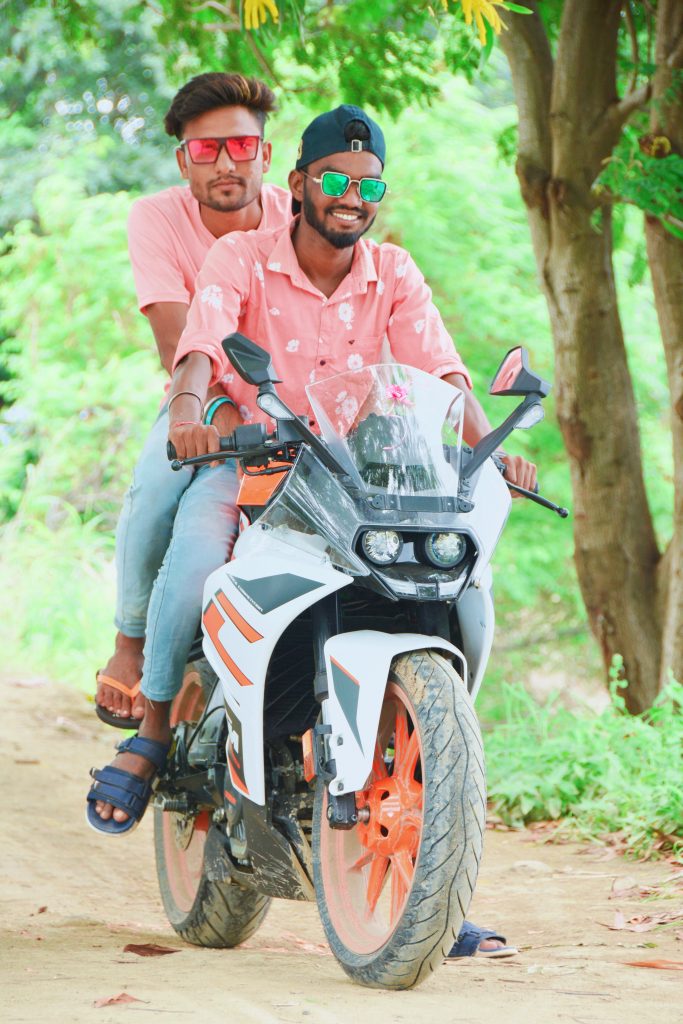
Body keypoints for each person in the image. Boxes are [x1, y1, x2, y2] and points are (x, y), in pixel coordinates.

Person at [88, 103, 532, 958]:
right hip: (257, 460)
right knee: (189, 578)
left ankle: (428, 889)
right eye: (333, 179)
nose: (350, 196)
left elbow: (438, 367)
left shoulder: (393, 271)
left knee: (457, 592)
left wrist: (486, 445)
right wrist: (189, 410)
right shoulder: (240, 254)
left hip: (364, 477)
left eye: (368, 185)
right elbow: (202, 342)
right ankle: (153, 734)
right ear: (297, 186)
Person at [95, 72, 291, 726]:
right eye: (205, 151)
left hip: (287, 418)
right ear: (184, 160)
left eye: (240, 146)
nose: (226, 162)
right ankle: (131, 641)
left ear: (265, 153)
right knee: (155, 491)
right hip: (197, 402)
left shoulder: (298, 222)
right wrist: (217, 409)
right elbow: (175, 334)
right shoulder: (156, 217)